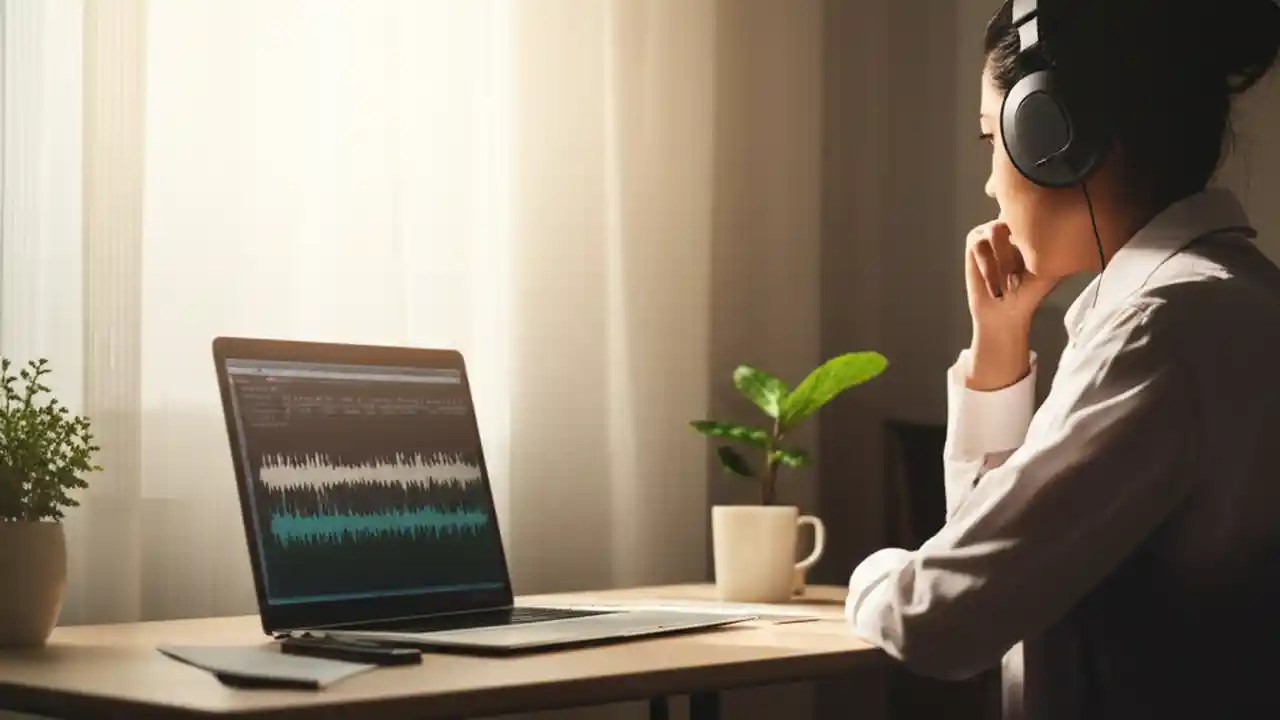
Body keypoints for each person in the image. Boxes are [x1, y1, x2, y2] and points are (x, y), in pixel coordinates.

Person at [844, 1, 1280, 718]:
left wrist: (871, 575)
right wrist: (1000, 343)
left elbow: (940, 619)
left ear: (1055, 136)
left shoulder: (1157, 334)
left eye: (993, 138)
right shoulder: (1235, 301)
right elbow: (1001, 561)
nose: (990, 184)